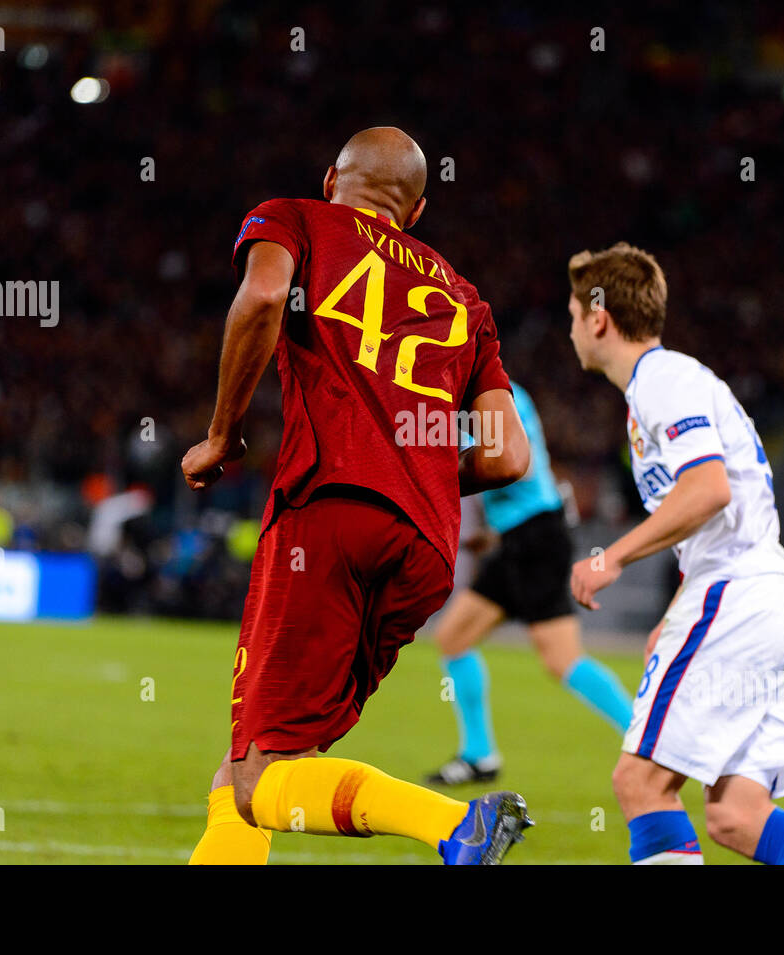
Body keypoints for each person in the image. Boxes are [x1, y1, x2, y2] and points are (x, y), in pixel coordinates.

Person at [181, 127, 534, 865]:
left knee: (259, 776)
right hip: (425, 551)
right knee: (265, 758)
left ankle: (453, 824)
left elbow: (265, 294)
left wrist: (222, 434)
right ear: (417, 209)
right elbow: (507, 456)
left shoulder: (298, 217)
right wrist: (427, 469)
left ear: (331, 179)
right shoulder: (466, 301)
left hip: (328, 513)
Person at [565, 242, 784, 865]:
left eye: (573, 312)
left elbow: (709, 489)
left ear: (599, 318)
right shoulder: (665, 386)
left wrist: (612, 556)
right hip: (770, 598)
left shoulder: (662, 379)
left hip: (739, 596)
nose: (570, 326)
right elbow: (716, 516)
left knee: (640, 783)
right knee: (737, 816)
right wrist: (676, 606)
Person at [426, 382, 633, 785]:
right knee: (452, 638)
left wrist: (445, 464)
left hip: (537, 537)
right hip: (519, 536)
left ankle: (644, 739)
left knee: (561, 658)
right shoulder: (490, 397)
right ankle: (479, 755)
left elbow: (514, 466)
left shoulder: (499, 398)